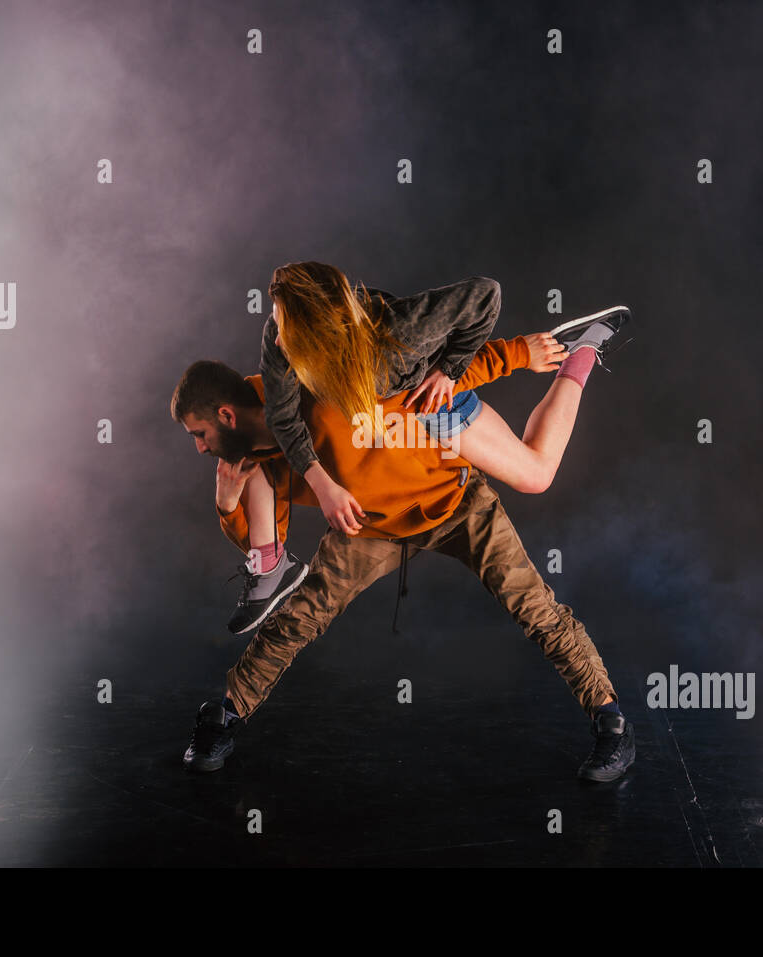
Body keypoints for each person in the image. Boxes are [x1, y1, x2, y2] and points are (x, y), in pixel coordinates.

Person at [168, 341, 636, 782]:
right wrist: (227, 504)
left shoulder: (312, 390)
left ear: (226, 415)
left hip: (454, 502)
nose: (200, 448)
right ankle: (224, 716)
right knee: (295, 619)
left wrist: (517, 353)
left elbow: (427, 373)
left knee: (536, 608)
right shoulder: (249, 457)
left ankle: (611, 721)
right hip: (371, 528)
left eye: (199, 435)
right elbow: (267, 554)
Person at [222, 261, 629, 635]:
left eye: (288, 329)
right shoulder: (279, 338)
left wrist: (450, 371)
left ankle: (579, 353)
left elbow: (484, 293)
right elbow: (282, 417)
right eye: (277, 321)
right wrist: (323, 484)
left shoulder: (399, 337)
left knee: (536, 476)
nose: (278, 337)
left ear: (325, 333)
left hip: (429, 402)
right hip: (388, 421)